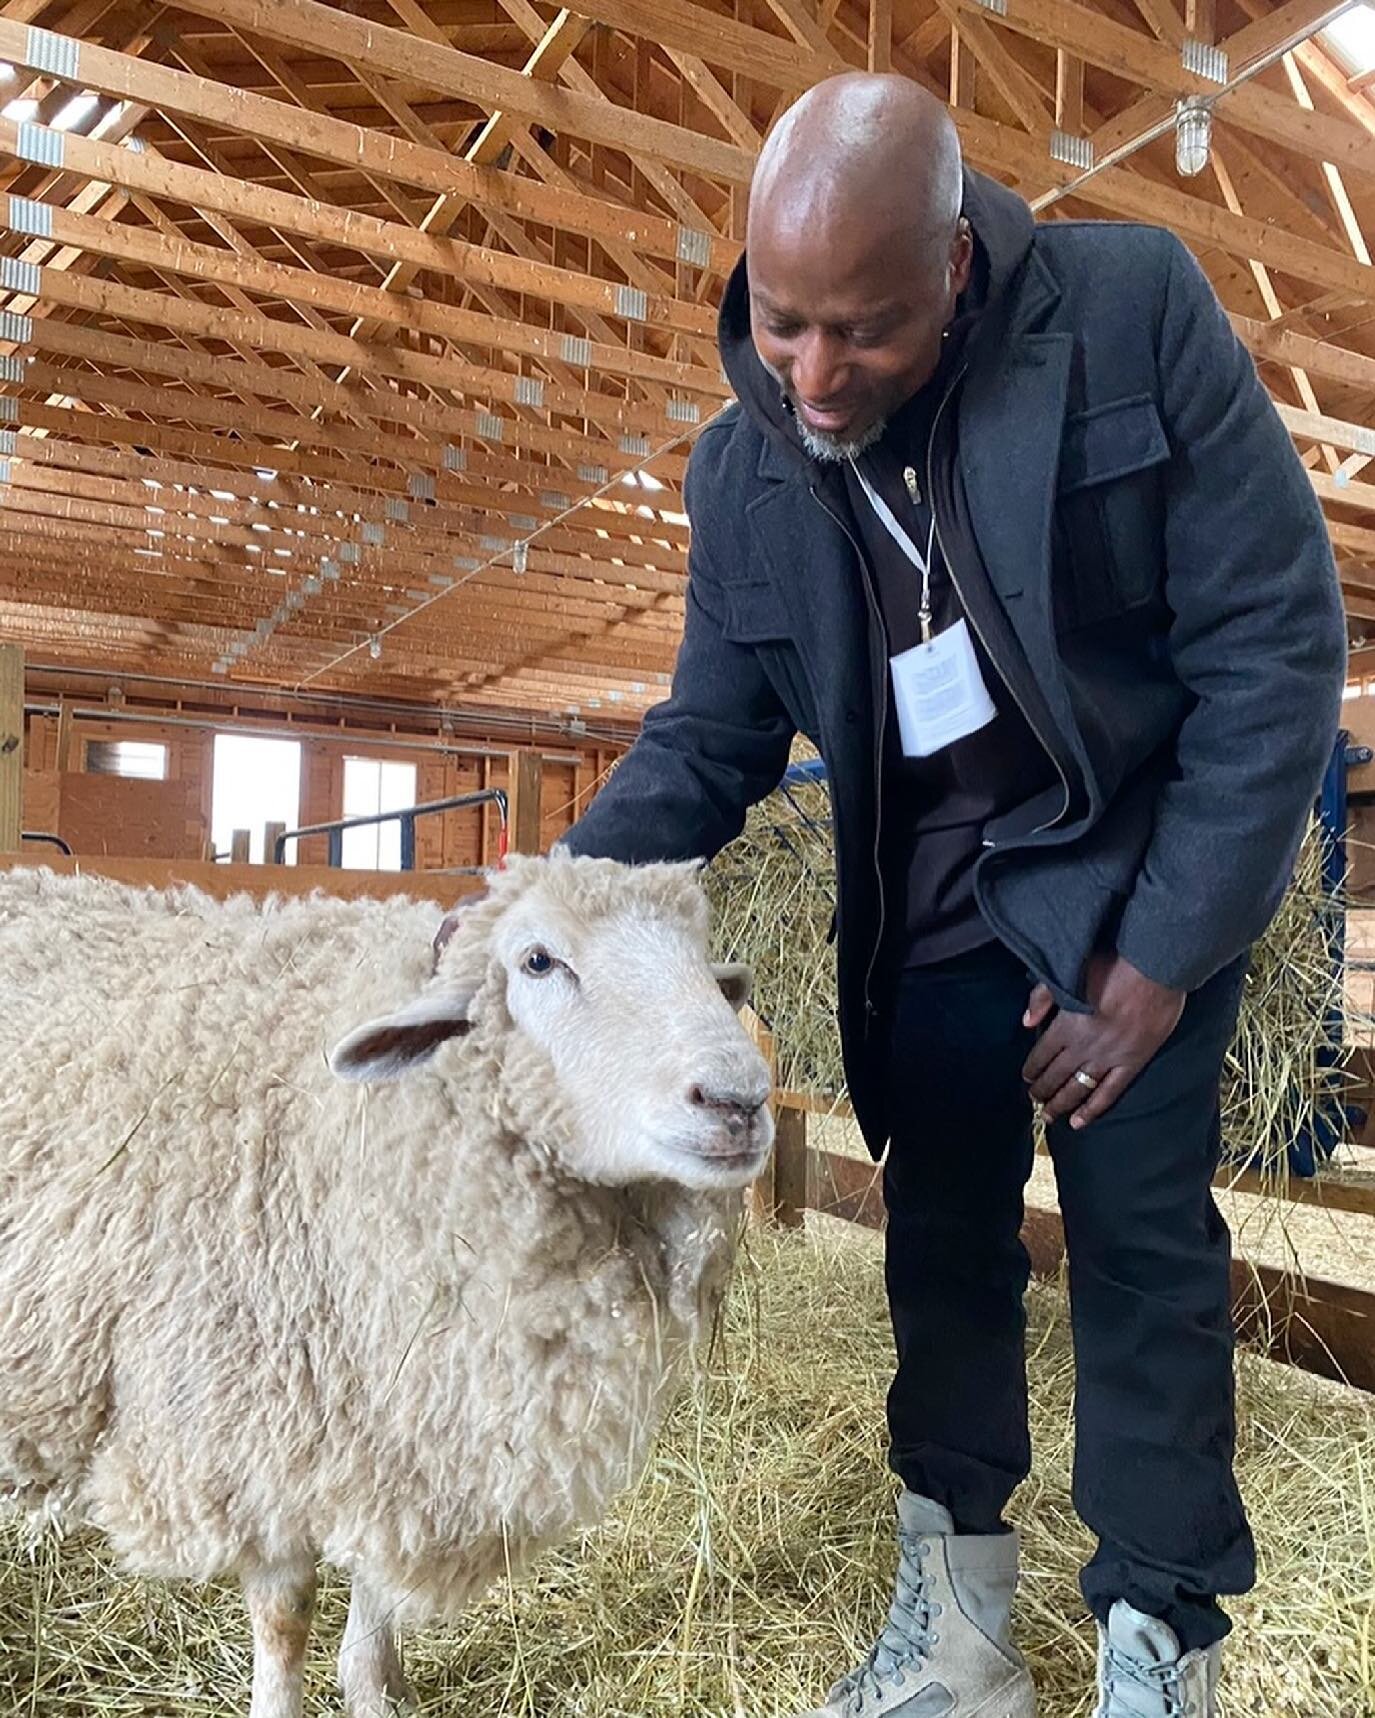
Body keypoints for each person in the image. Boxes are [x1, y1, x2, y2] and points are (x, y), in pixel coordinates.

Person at [562, 71, 1346, 1718]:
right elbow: (709, 740)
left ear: (959, 271)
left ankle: (1160, 1639)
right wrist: (542, 904)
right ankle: (962, 1633)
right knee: (940, 1251)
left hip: (1128, 880)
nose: (816, 375)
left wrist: (1156, 959)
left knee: (1141, 1251)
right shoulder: (745, 471)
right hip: (925, 908)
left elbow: (1273, 644)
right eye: (782, 325)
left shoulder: (1132, 317)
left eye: (866, 329)